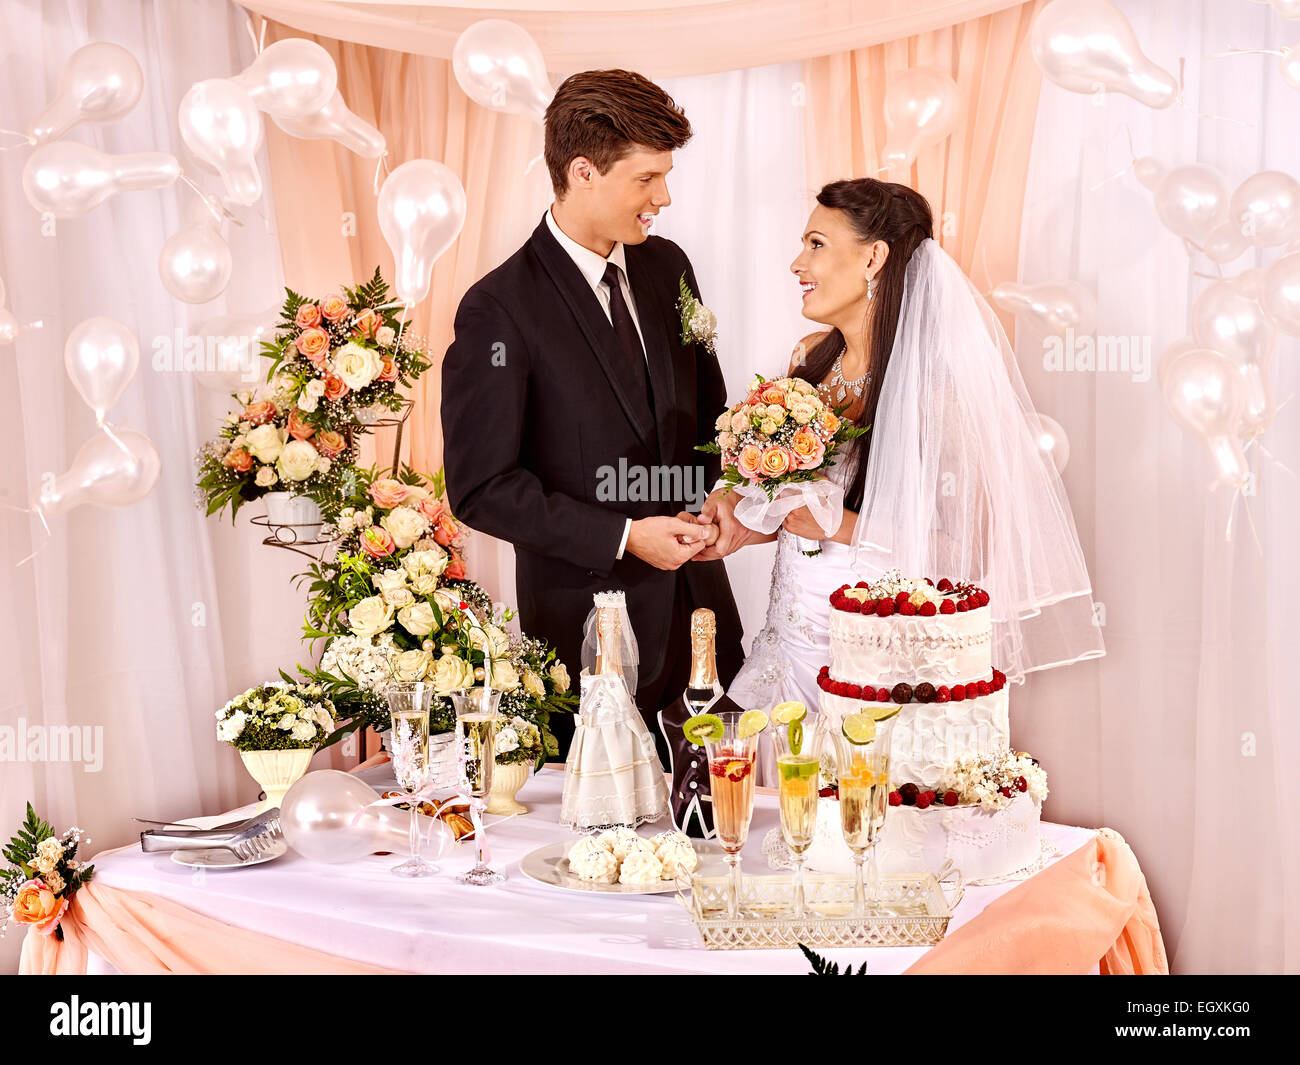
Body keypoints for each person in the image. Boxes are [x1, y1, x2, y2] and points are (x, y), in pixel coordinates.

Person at [690, 178, 1103, 779]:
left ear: (874, 257)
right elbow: (794, 513)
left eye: (815, 244)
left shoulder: (937, 389)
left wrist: (845, 526)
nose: (796, 263)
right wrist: (737, 522)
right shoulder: (810, 361)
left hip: (872, 653)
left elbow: (971, 554)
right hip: (786, 645)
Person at [442, 70, 744, 761]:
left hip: (702, 616)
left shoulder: (669, 267)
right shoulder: (498, 309)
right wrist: (623, 534)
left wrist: (720, 490)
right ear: (582, 171)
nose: (663, 197)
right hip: (588, 635)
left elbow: (709, 411)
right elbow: (481, 486)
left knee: (721, 833)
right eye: (646, 179)